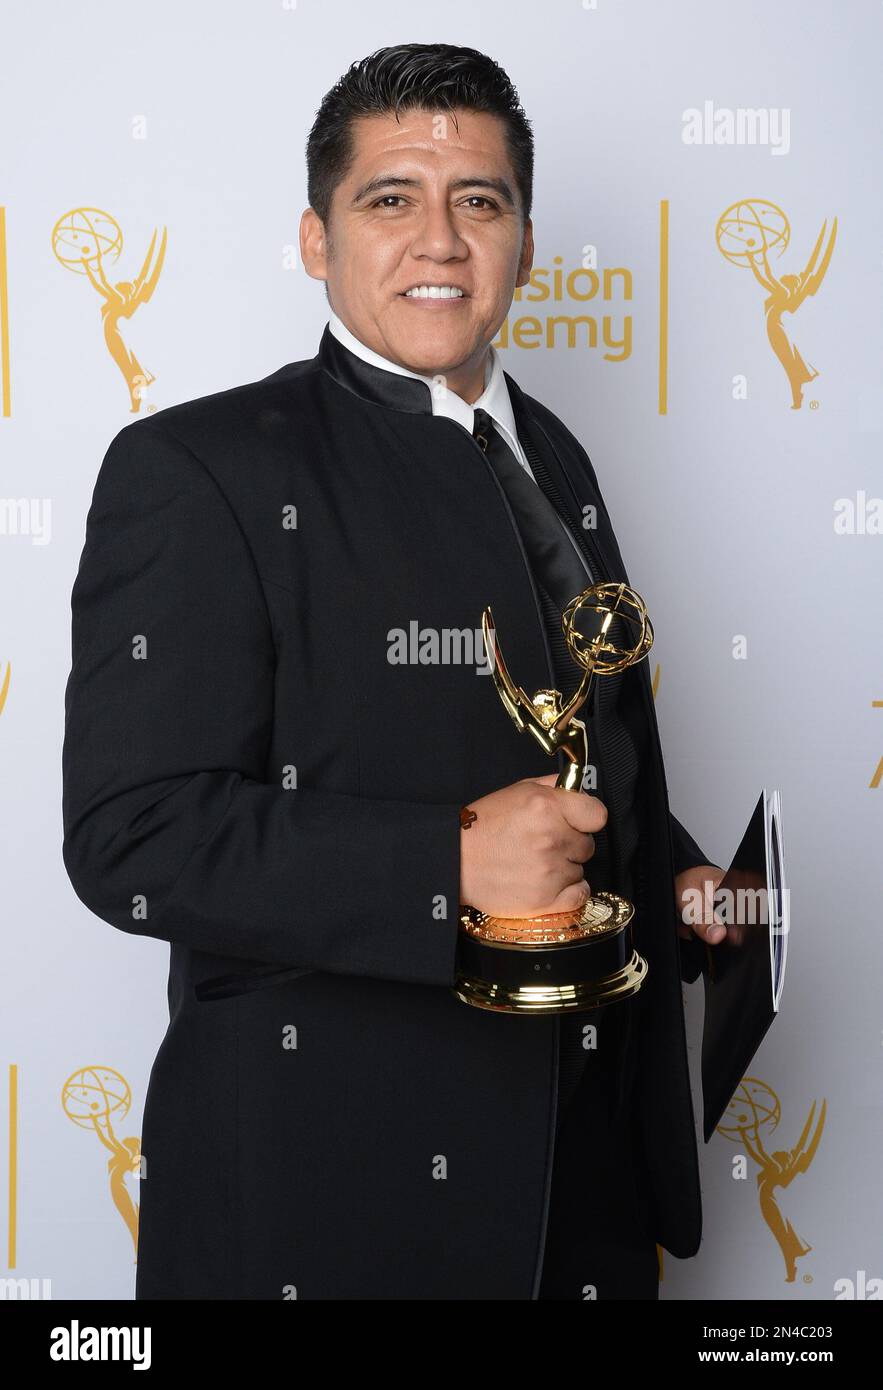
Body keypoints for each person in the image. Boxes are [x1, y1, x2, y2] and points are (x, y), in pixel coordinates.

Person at [62, 42, 725, 1301]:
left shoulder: (555, 458)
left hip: (581, 1191)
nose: (441, 239)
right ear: (316, 240)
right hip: (330, 1202)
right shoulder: (198, 468)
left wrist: (673, 872)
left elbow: (570, 743)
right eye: (390, 199)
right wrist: (447, 866)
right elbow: (129, 836)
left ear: (524, 243)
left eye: (478, 201)